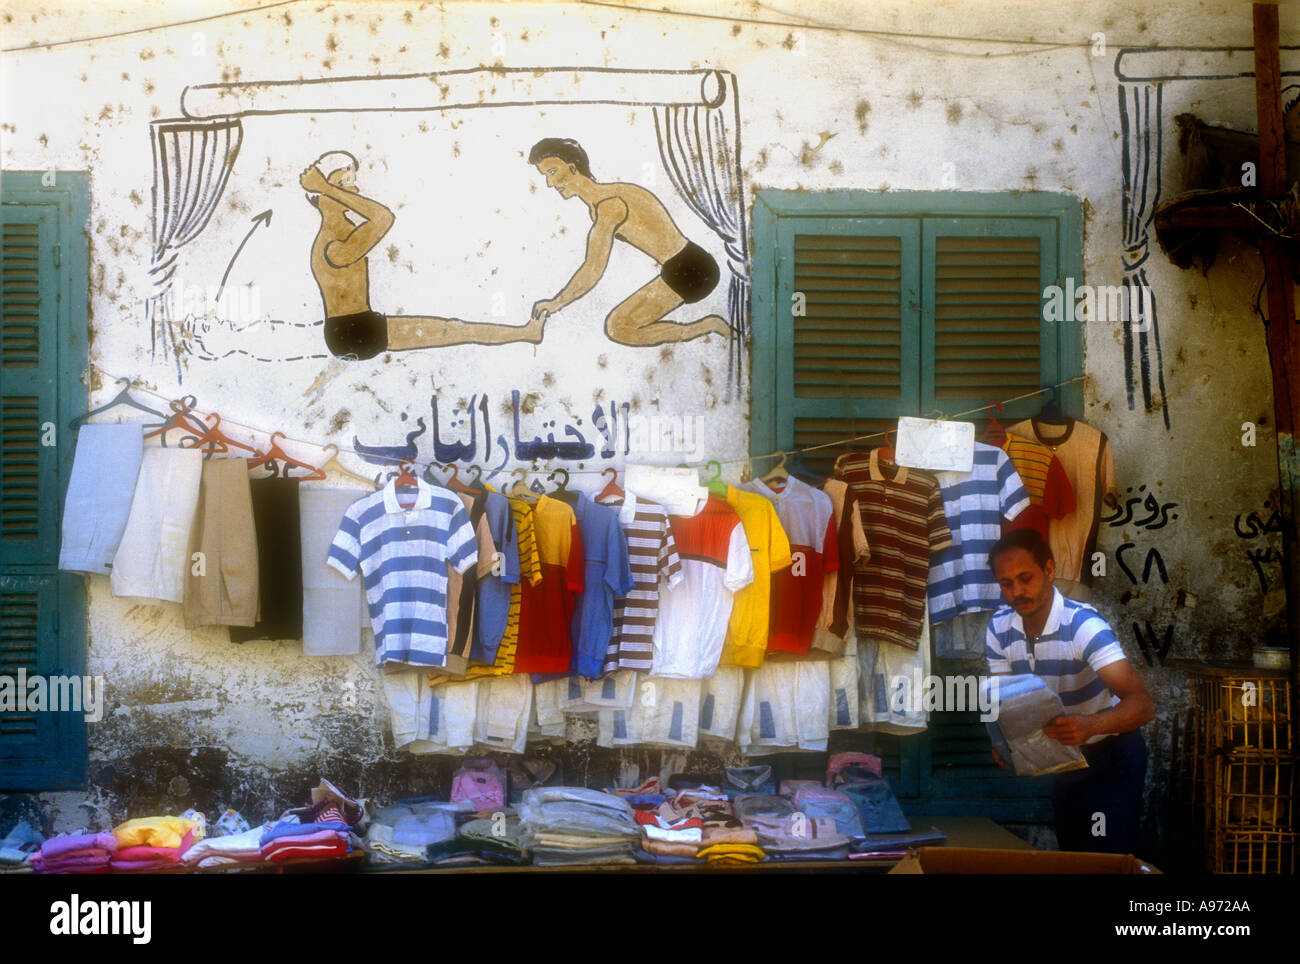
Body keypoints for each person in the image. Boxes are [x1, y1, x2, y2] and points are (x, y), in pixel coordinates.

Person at [985, 528, 1155, 855]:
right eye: (1006, 583)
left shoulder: (1084, 627)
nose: (1016, 592)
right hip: (1066, 762)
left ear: (1049, 571)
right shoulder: (999, 628)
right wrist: (1004, 741)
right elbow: (1004, 701)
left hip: (1111, 755)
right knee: (1074, 857)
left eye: (1025, 578)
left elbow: (1143, 705)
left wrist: (1092, 725)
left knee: (1104, 860)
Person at [301, 151, 544, 359]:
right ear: (321, 197)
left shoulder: (342, 232)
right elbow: (383, 218)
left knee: (454, 329)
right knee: (454, 330)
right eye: (343, 184)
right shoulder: (332, 245)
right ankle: (525, 334)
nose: (354, 189)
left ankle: (525, 333)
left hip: (354, 329)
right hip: (353, 334)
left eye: (349, 182)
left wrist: (328, 188)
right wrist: (325, 187)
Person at [527, 137, 730, 346]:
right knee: (619, 325)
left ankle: (706, 327)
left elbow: (592, 269)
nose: (550, 183)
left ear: (571, 168)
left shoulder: (609, 206)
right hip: (690, 264)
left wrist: (556, 303)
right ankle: (706, 327)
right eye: (546, 176)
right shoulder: (607, 197)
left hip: (691, 271)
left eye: (552, 173)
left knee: (618, 327)